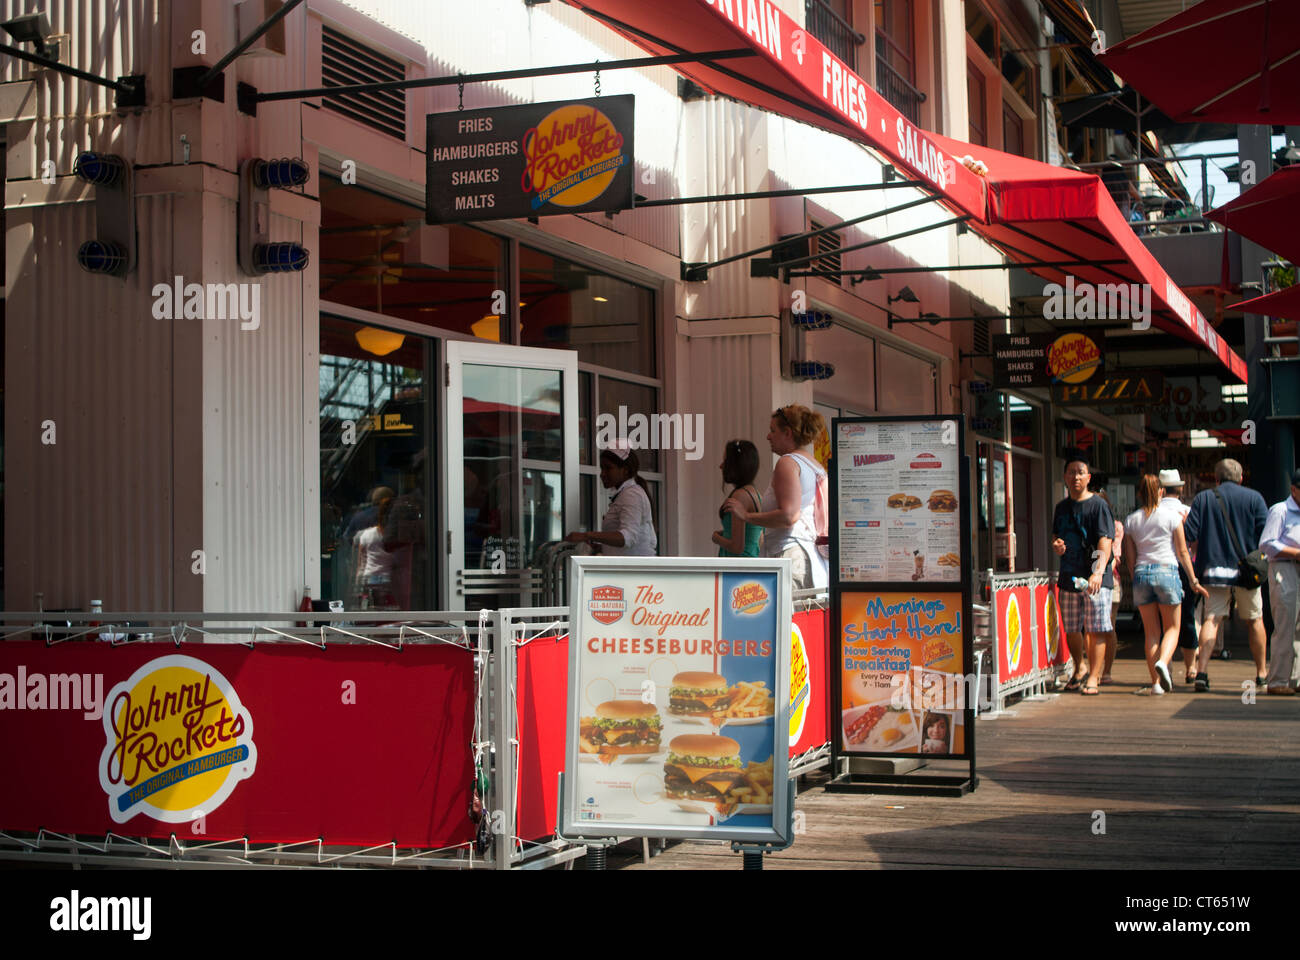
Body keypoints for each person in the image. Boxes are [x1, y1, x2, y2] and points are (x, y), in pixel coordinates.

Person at [1184, 458, 1269, 692]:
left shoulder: (1204, 499)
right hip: (1247, 573)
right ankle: (1261, 673)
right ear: (1241, 478)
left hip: (1214, 570)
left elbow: (1189, 532)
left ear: (1216, 478)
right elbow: (1265, 534)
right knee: (1254, 619)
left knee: (1211, 619)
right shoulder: (1254, 498)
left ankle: (1201, 672)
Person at [723, 404, 829, 590]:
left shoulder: (788, 462)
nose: (768, 436)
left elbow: (789, 516)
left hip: (789, 556)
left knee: (783, 618)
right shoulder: (814, 466)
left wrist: (746, 516)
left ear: (787, 433)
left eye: (773, 430)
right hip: (811, 558)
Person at [1123, 473, 1208, 695]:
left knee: (1152, 633)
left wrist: (1136, 578)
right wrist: (1193, 580)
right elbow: (1182, 552)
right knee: (1173, 628)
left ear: (1139, 493)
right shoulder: (1172, 518)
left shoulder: (1131, 520)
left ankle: (1155, 684)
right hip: (1167, 572)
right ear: (1161, 491)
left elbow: (1130, 558)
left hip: (1142, 573)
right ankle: (1164, 661)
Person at [1050, 455, 1114, 695]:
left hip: (1095, 579)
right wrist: (1056, 545)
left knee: (1096, 628)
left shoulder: (1098, 505)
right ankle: (1079, 668)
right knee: (1071, 628)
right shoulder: (1061, 507)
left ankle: (1094, 677)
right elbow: (1056, 536)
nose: (1076, 476)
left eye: (1080, 472)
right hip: (1068, 576)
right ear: (1065, 477)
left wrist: (1098, 571)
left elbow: (1105, 540)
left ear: (1088, 477)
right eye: (1071, 472)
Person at [566, 441, 657, 556]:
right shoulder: (626, 494)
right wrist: (602, 547)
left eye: (608, 468)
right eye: (602, 468)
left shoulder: (632, 495)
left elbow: (627, 538)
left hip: (636, 572)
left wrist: (586, 535)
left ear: (625, 470)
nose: (602, 474)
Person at [1157, 470, 1202, 683]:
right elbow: (1193, 546)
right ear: (1181, 489)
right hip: (1184, 569)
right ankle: (1191, 667)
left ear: (1161, 489)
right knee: (1187, 619)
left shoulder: (1151, 511)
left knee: (1162, 623)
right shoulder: (1187, 512)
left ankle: (1166, 667)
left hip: (1157, 569)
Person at [1261, 469, 1300, 695]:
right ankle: (1277, 681)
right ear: (1293, 489)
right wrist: (1295, 553)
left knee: (1298, 628)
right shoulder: (1281, 510)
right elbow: (1266, 544)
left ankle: (1294, 678)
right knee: (1285, 626)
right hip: (1285, 568)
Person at [712, 440, 762, 558]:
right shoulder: (756, 494)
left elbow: (737, 547)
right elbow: (757, 537)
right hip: (751, 562)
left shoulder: (740, 496)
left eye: (725, 461)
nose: (721, 466)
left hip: (739, 568)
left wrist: (716, 537)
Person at [1093, 483, 1122, 684]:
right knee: (1090, 630)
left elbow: (1115, 557)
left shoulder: (1116, 526)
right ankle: (1092, 668)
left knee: (1108, 626)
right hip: (1088, 581)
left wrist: (1099, 572)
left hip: (1109, 582)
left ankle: (1107, 671)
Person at [353, 487, 397, 608]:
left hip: (370, 579)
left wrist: (357, 588)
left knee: (373, 612)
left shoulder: (366, 534)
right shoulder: (397, 536)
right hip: (389, 581)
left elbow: (361, 565)